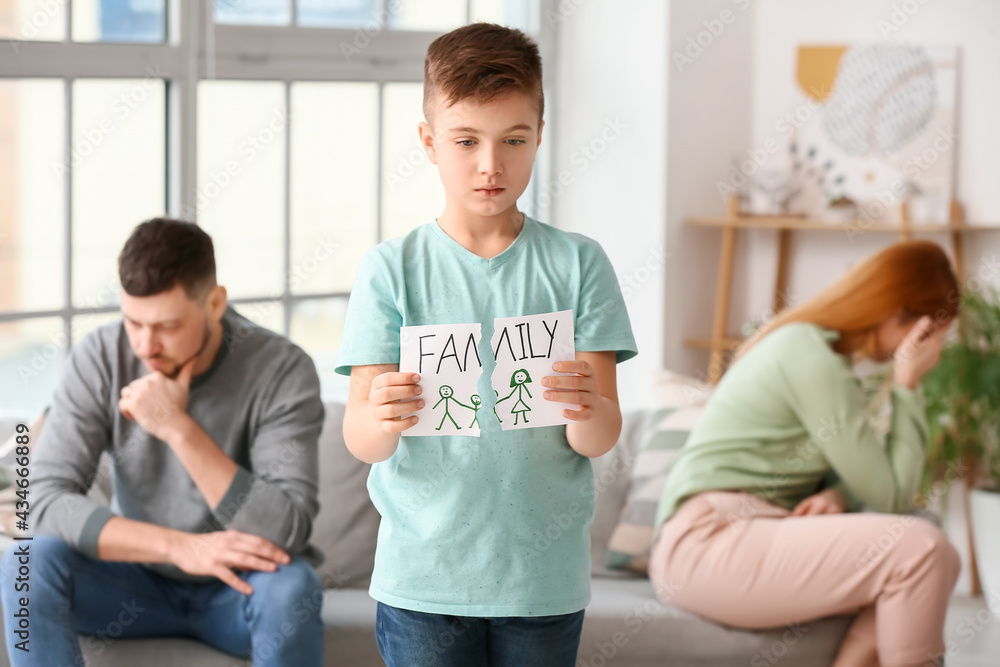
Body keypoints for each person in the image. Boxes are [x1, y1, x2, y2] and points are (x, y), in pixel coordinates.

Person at [336, 23, 637, 667]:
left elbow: (599, 435)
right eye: (466, 140)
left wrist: (588, 406)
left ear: (539, 136)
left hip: (542, 582)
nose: (490, 165)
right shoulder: (391, 270)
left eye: (513, 141)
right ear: (428, 141)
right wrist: (380, 416)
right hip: (422, 579)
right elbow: (361, 438)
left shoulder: (580, 265)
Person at [1, 219, 326, 666]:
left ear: (214, 303)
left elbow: (285, 530)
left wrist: (178, 427)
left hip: (240, 588)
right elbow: (41, 502)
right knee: (26, 565)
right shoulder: (101, 356)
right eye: (133, 321)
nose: (145, 345)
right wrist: (180, 546)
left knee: (294, 587)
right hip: (131, 582)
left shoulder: (281, 369)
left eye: (167, 326)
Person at [649, 240, 962, 667]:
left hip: (750, 532)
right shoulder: (808, 355)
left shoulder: (826, 360)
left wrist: (838, 496)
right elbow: (893, 497)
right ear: (899, 314)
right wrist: (908, 383)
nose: (933, 353)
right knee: (925, 550)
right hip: (707, 542)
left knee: (919, 575)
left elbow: (863, 475)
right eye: (931, 337)